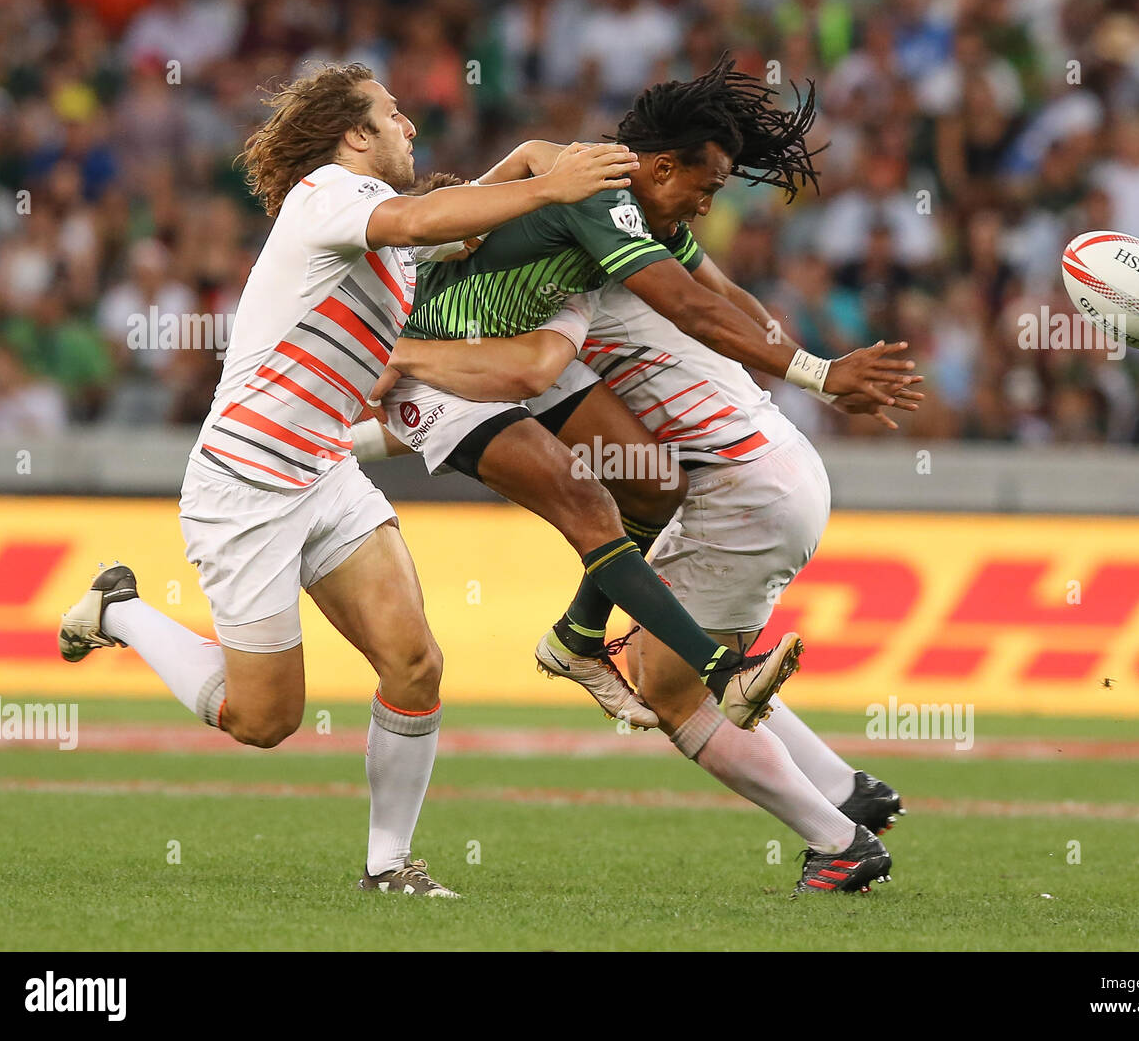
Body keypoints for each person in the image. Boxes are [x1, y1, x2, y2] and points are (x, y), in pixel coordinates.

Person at [57, 62, 640, 897]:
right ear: (354, 134)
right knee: (265, 721)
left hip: (324, 470)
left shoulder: (389, 236)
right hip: (246, 485)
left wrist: (551, 159)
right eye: (394, 114)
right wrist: (550, 189)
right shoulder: (326, 196)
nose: (411, 126)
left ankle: (388, 865)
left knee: (415, 662)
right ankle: (122, 611)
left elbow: (463, 209)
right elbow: (430, 213)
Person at [358, 57, 920, 891]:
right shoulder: (599, 234)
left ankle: (837, 838)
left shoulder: (597, 253)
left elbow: (553, 343)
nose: (710, 203)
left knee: (669, 683)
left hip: (743, 488)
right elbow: (707, 297)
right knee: (647, 504)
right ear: (663, 166)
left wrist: (819, 371)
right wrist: (816, 373)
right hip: (775, 476)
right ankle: (841, 788)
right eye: (710, 184)